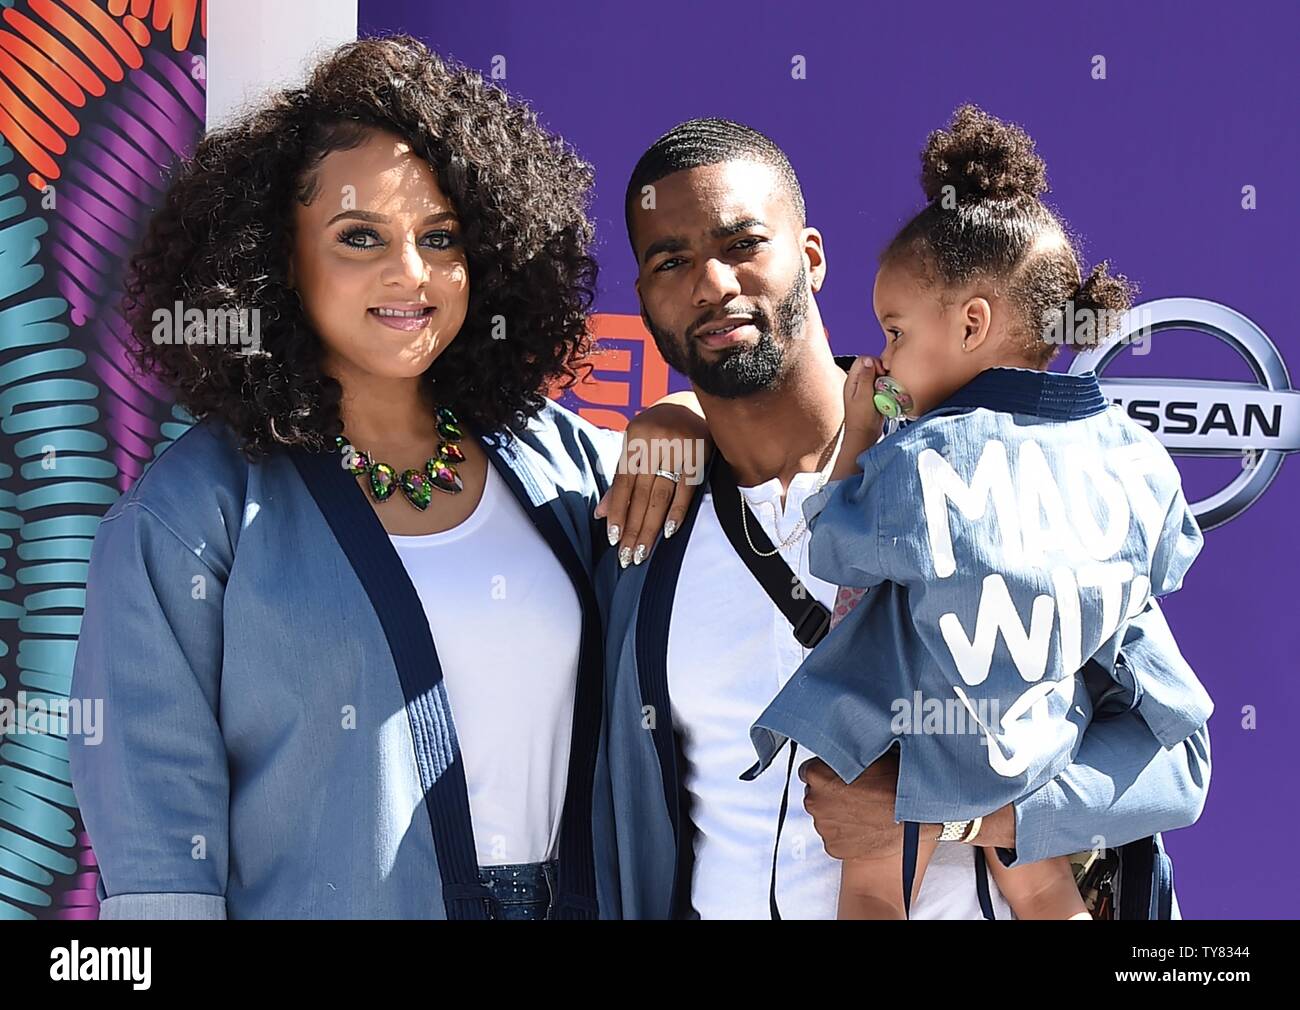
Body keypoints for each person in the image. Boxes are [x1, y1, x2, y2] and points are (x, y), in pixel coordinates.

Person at [67, 35, 707, 921]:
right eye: (359, 236)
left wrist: (684, 418)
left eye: (440, 237)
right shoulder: (189, 517)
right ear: (277, 261)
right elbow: (159, 851)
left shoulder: (562, 459)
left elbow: (741, 492)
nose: (411, 274)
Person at [598, 116, 1211, 920]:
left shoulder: (999, 487)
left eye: (743, 242)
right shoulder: (641, 517)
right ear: (643, 297)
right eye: (671, 261)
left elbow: (1173, 753)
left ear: (810, 257)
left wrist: (959, 814)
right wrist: (672, 415)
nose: (712, 284)